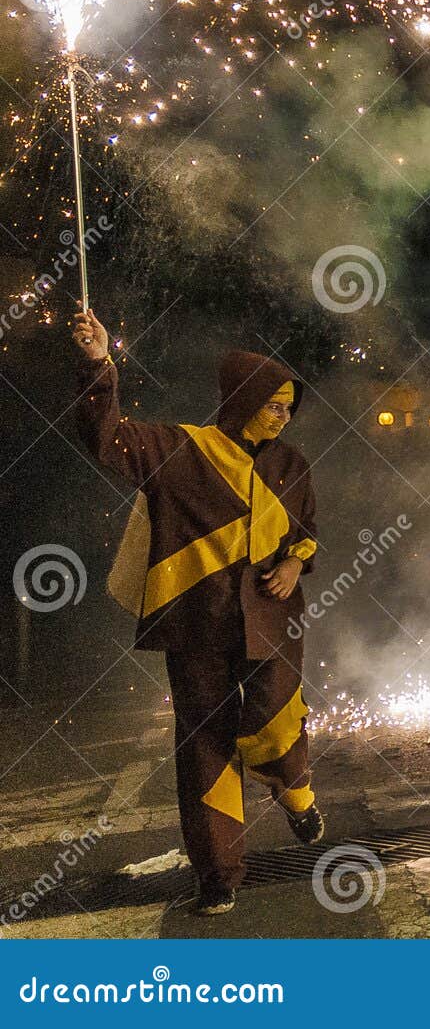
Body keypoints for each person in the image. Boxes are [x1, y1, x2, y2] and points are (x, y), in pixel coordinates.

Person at [71, 307, 324, 916]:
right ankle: (218, 876)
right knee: (206, 744)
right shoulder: (180, 449)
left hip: (272, 618)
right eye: (273, 404)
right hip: (197, 626)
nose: (283, 416)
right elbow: (106, 440)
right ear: (243, 400)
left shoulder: (291, 465)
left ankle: (296, 793)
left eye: (289, 406)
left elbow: (306, 534)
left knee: (275, 716)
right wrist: (100, 365)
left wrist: (294, 565)